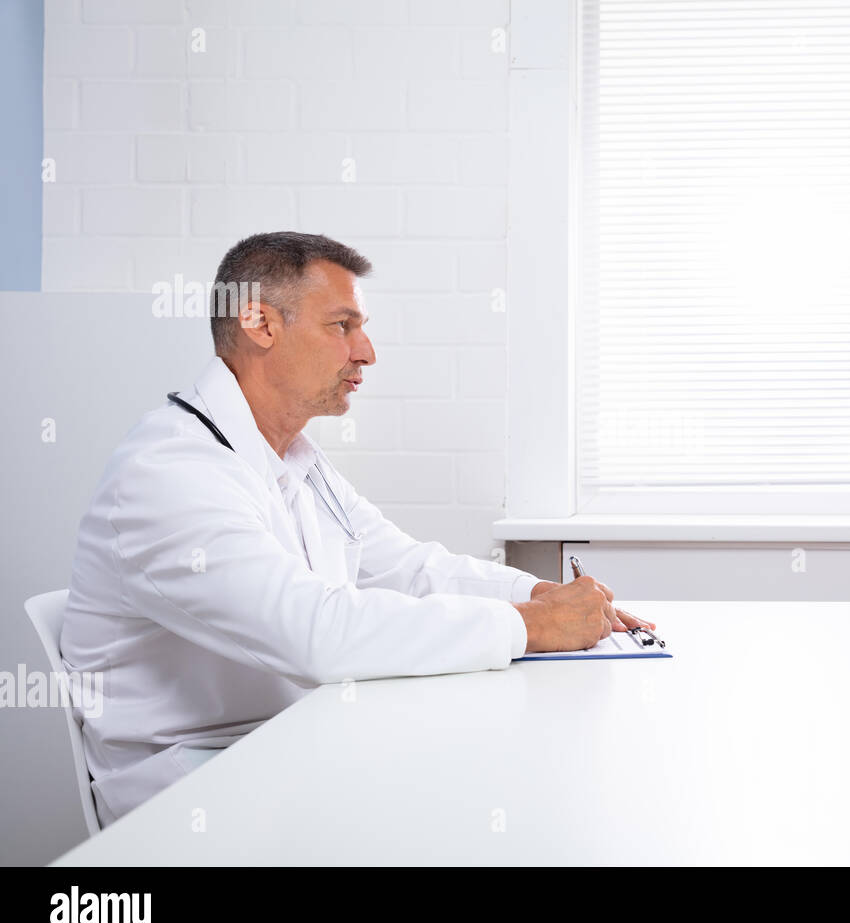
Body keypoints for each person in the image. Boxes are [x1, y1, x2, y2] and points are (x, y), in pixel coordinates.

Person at [60, 231, 653, 828]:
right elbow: (318, 635)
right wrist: (529, 627)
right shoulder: (170, 473)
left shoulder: (291, 459)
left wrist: (535, 595)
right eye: (341, 325)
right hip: (190, 793)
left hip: (280, 747)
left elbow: (406, 567)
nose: (366, 351)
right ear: (260, 324)